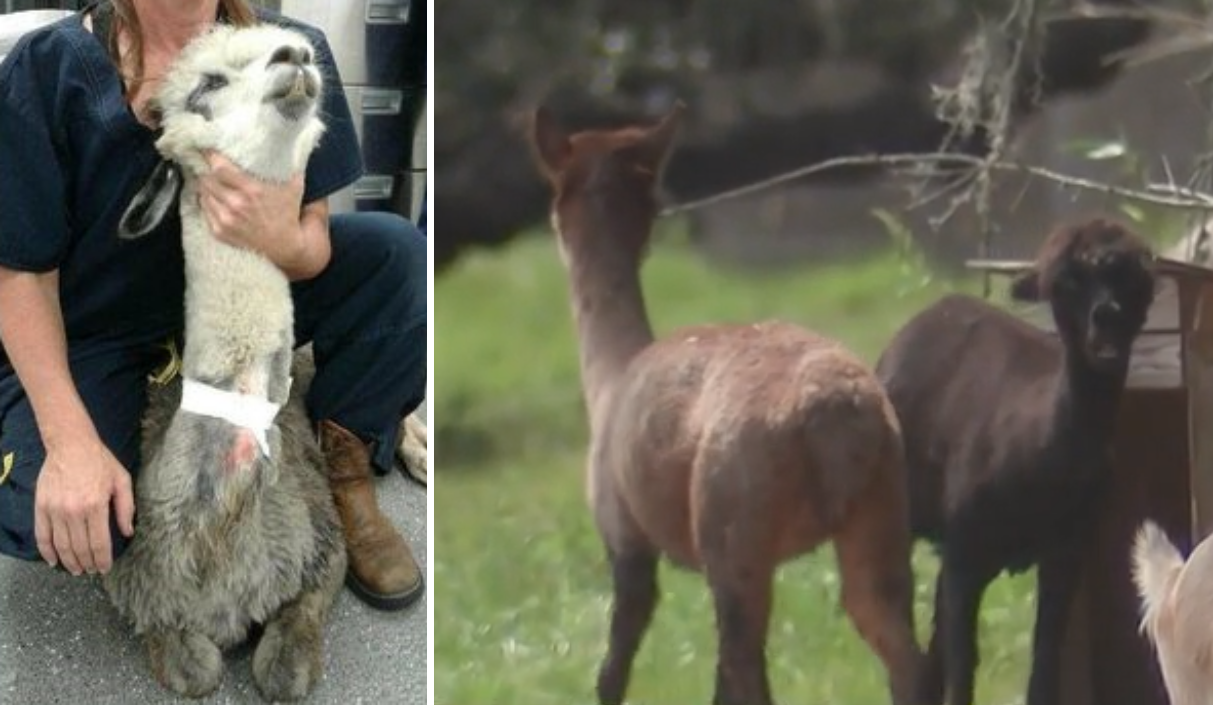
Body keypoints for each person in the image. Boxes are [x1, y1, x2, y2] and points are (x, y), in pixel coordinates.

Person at [0, 0, 427, 612]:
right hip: (102, 325)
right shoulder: (50, 70)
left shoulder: (290, 51)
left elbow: (314, 246)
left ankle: (345, 457)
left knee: (396, 258)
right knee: (44, 510)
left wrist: (275, 235)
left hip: (238, 294)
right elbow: (19, 273)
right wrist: (69, 442)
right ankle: (136, 415)